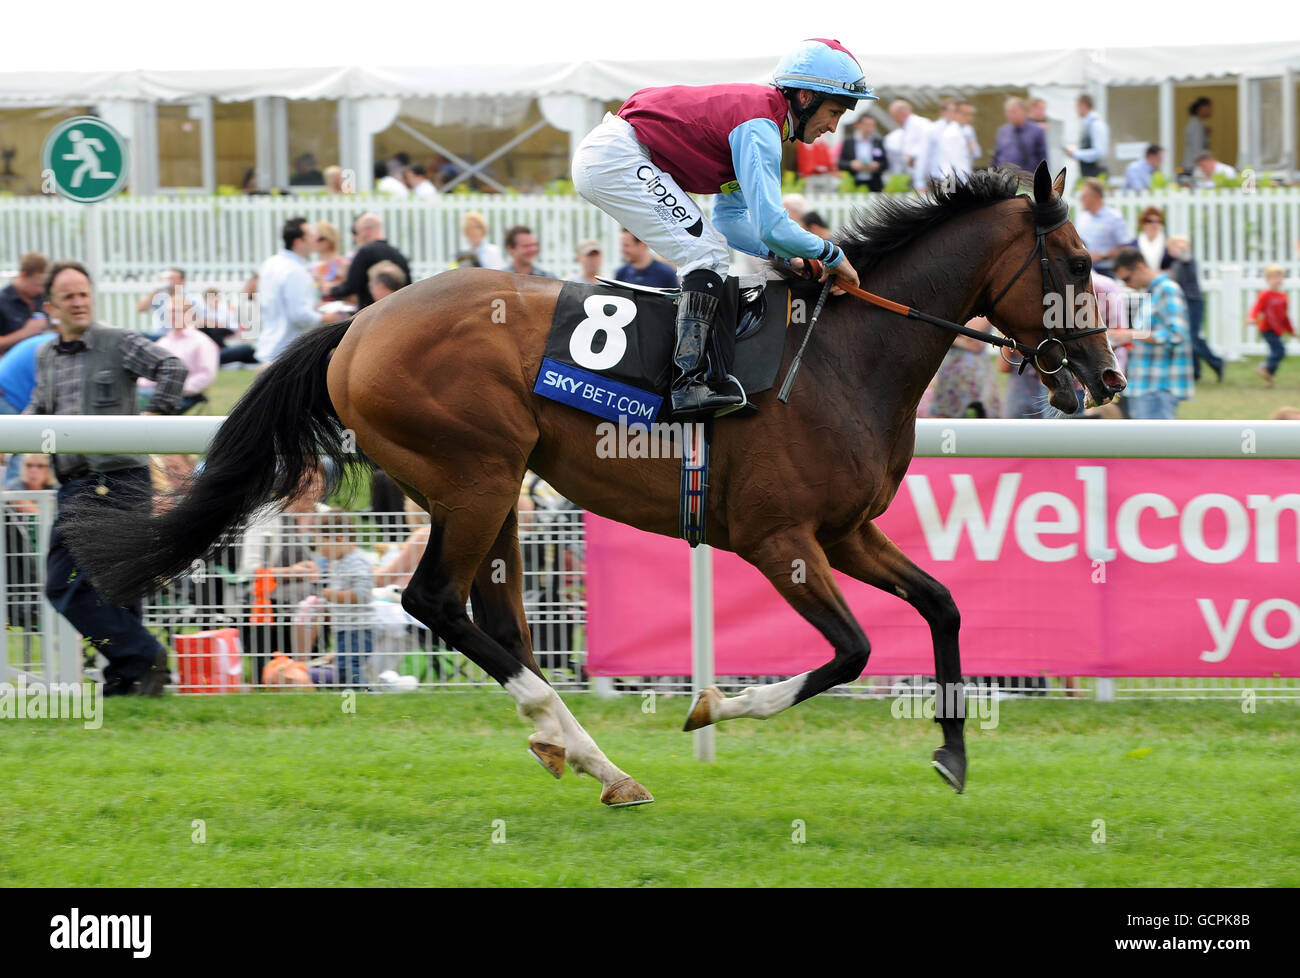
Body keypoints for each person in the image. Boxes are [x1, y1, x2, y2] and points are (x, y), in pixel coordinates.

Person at [573, 38, 870, 419]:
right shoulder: (760, 126)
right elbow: (772, 224)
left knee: (710, 249)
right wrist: (831, 253)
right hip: (616, 156)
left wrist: (786, 258)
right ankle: (688, 383)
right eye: (834, 112)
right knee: (704, 254)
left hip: (614, 155)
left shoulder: (765, 124)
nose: (833, 126)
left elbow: (731, 223)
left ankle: (698, 377)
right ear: (805, 98)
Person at [24, 260, 187, 696]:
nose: (79, 303)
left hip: (117, 480)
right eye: (69, 297)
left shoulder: (118, 342)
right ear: (51, 306)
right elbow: (40, 409)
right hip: (75, 482)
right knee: (116, 586)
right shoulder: (44, 355)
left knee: (64, 586)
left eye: (83, 294)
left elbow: (172, 367)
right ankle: (132, 675)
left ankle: (140, 657)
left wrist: (152, 418)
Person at [1109, 247, 1193, 419]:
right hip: (1144, 385)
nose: (1126, 284)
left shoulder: (1168, 289)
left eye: (1127, 278)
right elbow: (1149, 335)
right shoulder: (1152, 293)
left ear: (1140, 266)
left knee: (1158, 445)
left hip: (1159, 386)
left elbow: (1177, 334)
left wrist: (1132, 335)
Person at [256, 217, 323, 366]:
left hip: (270, 346)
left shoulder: (271, 263)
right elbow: (299, 316)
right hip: (289, 351)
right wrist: (326, 317)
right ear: (298, 242)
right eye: (311, 236)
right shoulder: (295, 270)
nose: (316, 239)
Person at [318, 512, 375, 687]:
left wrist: (329, 595)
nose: (321, 550)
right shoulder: (339, 562)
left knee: (350, 668)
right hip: (345, 628)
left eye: (324, 544)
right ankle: (361, 692)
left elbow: (362, 594)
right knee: (345, 668)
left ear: (340, 540)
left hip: (357, 628)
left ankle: (364, 693)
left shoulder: (357, 561)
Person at [137, 296, 220, 412]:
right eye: (171, 311)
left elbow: (206, 375)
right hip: (155, 392)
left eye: (178, 311)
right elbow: (150, 372)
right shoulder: (164, 341)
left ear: (190, 314)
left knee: (140, 403)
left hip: (182, 394)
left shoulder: (202, 342)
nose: (173, 315)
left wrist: (173, 388)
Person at [1162, 235, 1222, 383]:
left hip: (1193, 301)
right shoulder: (1173, 263)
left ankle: (1216, 363)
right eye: (1174, 245)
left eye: (1182, 245)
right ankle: (1195, 372)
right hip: (1181, 302)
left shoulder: (1187, 259)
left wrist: (1180, 250)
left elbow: (1185, 256)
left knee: (1193, 338)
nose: (1179, 248)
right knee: (1187, 339)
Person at [328, 213, 411, 309]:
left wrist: (331, 290)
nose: (355, 237)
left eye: (356, 232)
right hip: (397, 309)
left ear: (366, 230)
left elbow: (351, 286)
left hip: (371, 313)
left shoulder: (365, 252)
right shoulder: (398, 253)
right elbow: (408, 285)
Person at [1074, 178, 1132, 277]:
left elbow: (1124, 248)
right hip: (1084, 271)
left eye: (1084, 196)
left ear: (1095, 197)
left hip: (1107, 271)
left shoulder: (1114, 217)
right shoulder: (1082, 218)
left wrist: (1102, 256)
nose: (1081, 199)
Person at [1248, 264, 1293, 387]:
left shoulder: (1283, 297)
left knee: (1277, 351)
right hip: (1267, 328)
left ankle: (1268, 378)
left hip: (1277, 329)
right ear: (1268, 280)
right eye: (1274, 277)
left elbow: (1284, 317)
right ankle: (1264, 367)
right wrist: (1251, 318)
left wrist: (1291, 331)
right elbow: (1257, 308)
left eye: (1279, 277)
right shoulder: (1265, 295)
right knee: (1279, 350)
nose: (1277, 280)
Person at [0, 252, 50, 354]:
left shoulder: (41, 297)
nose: (41, 290)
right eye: (37, 284)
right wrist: (25, 332)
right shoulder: (3, 301)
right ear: (23, 276)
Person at [990, 97, 1047, 173]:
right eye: (1007, 112)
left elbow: (1042, 157)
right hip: (1004, 178)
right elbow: (996, 156)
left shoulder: (1036, 131)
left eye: (1013, 112)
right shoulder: (1003, 131)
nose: (1009, 115)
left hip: (1027, 178)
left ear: (1023, 111)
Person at [887, 98, 932, 192]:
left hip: (927, 178)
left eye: (893, 116)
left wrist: (920, 183)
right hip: (916, 176)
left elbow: (924, 153)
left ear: (899, 114)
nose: (894, 120)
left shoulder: (921, 124)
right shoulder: (908, 127)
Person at [1065, 93, 1109, 179]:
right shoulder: (1088, 124)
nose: (1076, 110)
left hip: (1097, 175)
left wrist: (1076, 153)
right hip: (1090, 175)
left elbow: (1100, 152)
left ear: (1083, 106)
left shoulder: (1096, 124)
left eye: (1077, 106)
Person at [838, 112, 885, 191]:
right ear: (858, 125)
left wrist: (877, 165)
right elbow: (840, 163)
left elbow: (885, 163)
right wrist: (851, 164)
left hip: (874, 184)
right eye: (866, 125)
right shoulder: (849, 142)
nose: (869, 128)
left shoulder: (878, 142)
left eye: (872, 125)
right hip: (853, 183)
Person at [312, 220, 350, 295]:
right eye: (313, 238)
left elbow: (348, 289)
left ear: (329, 239)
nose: (314, 242)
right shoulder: (314, 266)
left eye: (319, 238)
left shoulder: (342, 264)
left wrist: (321, 283)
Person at [1183, 97, 1213, 174]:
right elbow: (1197, 147)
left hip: (1192, 164)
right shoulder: (1196, 125)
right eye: (1209, 107)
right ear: (1201, 108)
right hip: (1193, 166)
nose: (1210, 110)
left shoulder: (1196, 123)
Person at [1136, 206, 1166, 271]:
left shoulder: (1168, 243)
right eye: (1150, 221)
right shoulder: (1133, 244)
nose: (1154, 224)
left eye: (1158, 221)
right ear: (1143, 223)